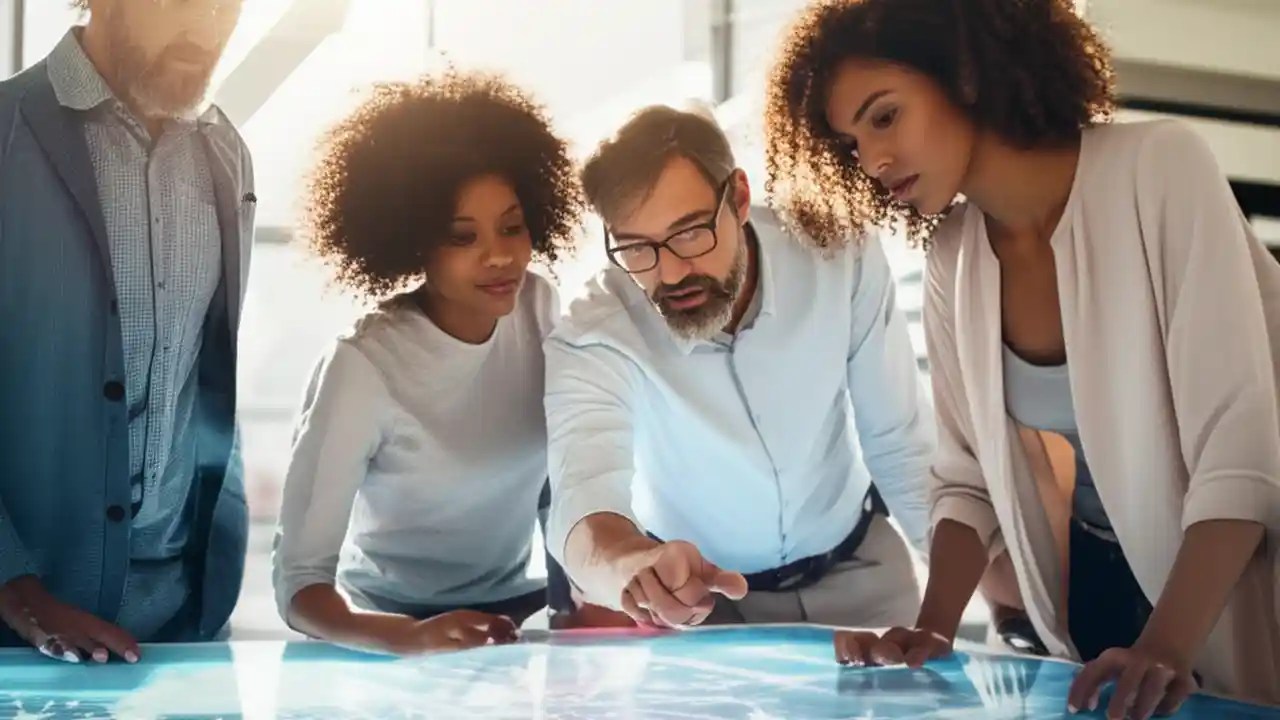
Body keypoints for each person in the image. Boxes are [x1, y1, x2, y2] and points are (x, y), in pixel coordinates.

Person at [764, 0, 1280, 713]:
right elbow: (966, 477)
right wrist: (932, 627)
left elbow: (1240, 448)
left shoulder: (1160, 168)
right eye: (852, 144)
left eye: (884, 116)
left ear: (966, 73)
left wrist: (1167, 645)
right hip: (1092, 590)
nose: (874, 161)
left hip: (1229, 581)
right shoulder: (952, 255)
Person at [544, 104, 934, 632]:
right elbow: (583, 498)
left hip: (861, 574)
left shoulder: (838, 252)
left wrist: (988, 589)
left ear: (741, 198)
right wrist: (634, 566)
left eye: (689, 233)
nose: (672, 272)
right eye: (637, 248)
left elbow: (898, 442)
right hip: (703, 604)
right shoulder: (595, 332)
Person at [271, 71, 584, 656]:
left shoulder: (538, 307)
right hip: (388, 628)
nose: (499, 255)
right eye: (462, 238)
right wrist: (410, 637)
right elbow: (300, 585)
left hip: (517, 621)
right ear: (414, 241)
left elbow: (555, 484)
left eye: (513, 227)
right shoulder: (364, 365)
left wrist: (574, 603)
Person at [0, 0, 253, 662]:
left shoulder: (228, 154)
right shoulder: (5, 134)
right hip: (22, 637)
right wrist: (15, 588)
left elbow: (209, 378)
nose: (205, 29)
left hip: (184, 627)